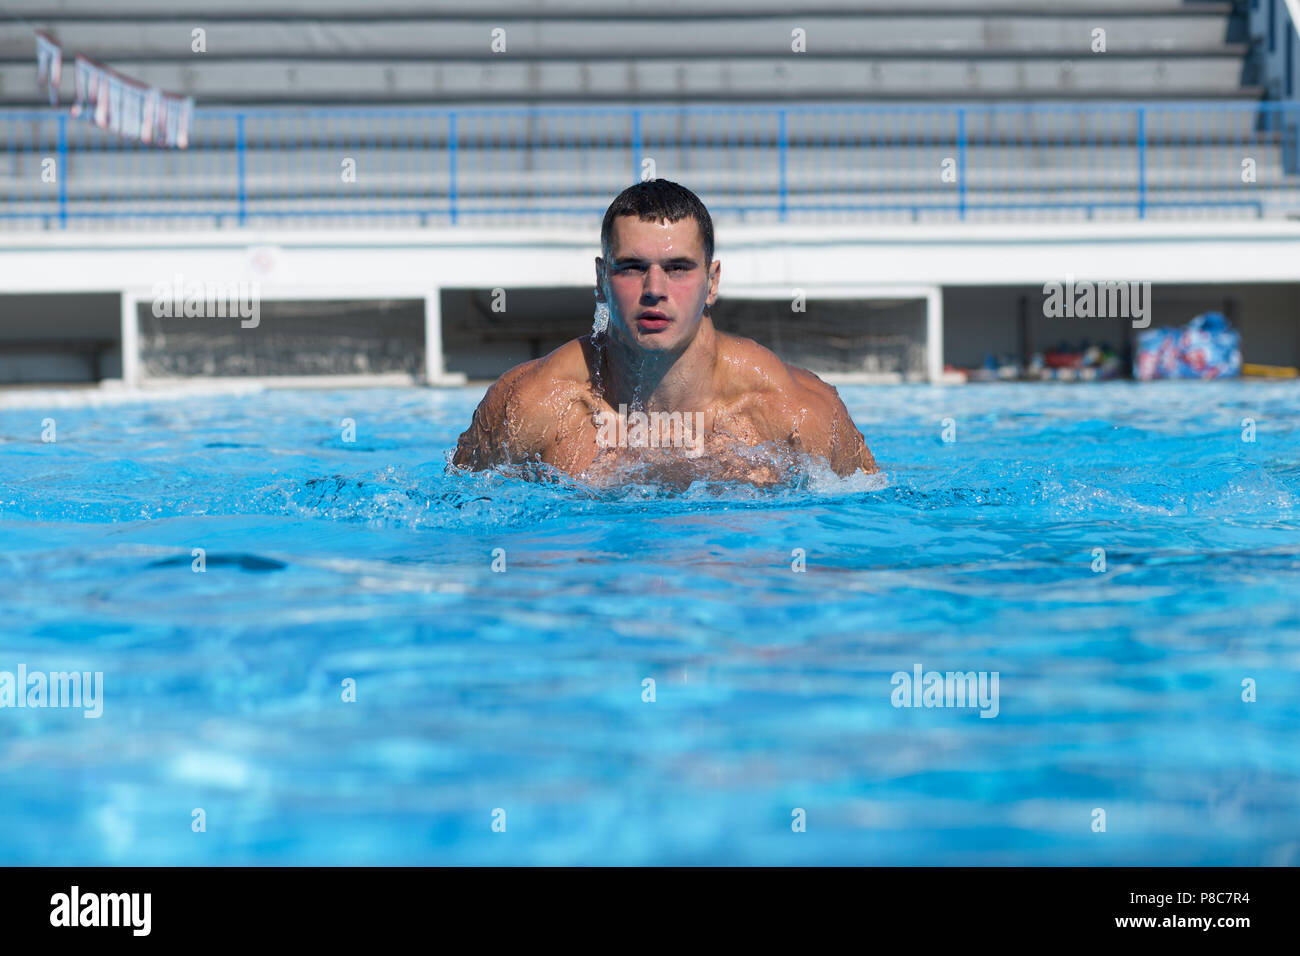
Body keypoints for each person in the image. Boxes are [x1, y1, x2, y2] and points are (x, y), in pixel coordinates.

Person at [452, 179, 878, 486]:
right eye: (632, 267)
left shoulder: (795, 413)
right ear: (601, 279)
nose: (654, 290)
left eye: (678, 268)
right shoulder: (534, 403)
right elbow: (456, 515)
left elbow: (869, 531)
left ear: (712, 282)